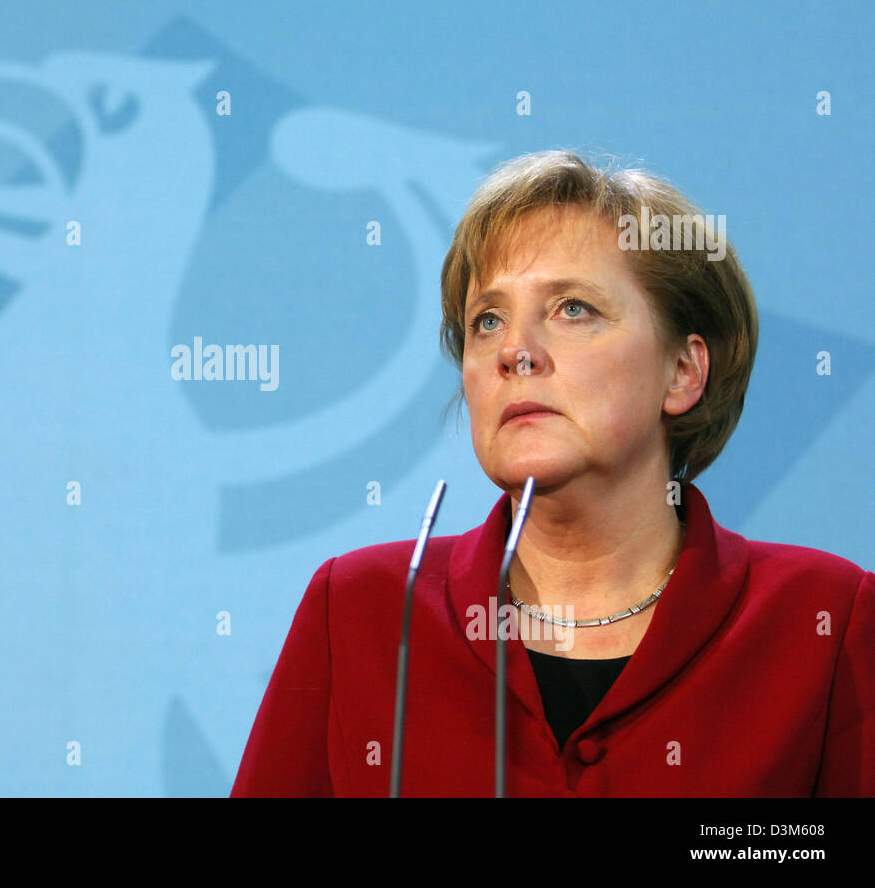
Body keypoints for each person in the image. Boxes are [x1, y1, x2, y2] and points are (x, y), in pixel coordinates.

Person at [230, 150, 873, 797]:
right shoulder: (359, 610)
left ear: (683, 371)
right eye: (488, 321)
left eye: (572, 308)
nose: (515, 351)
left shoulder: (824, 619)